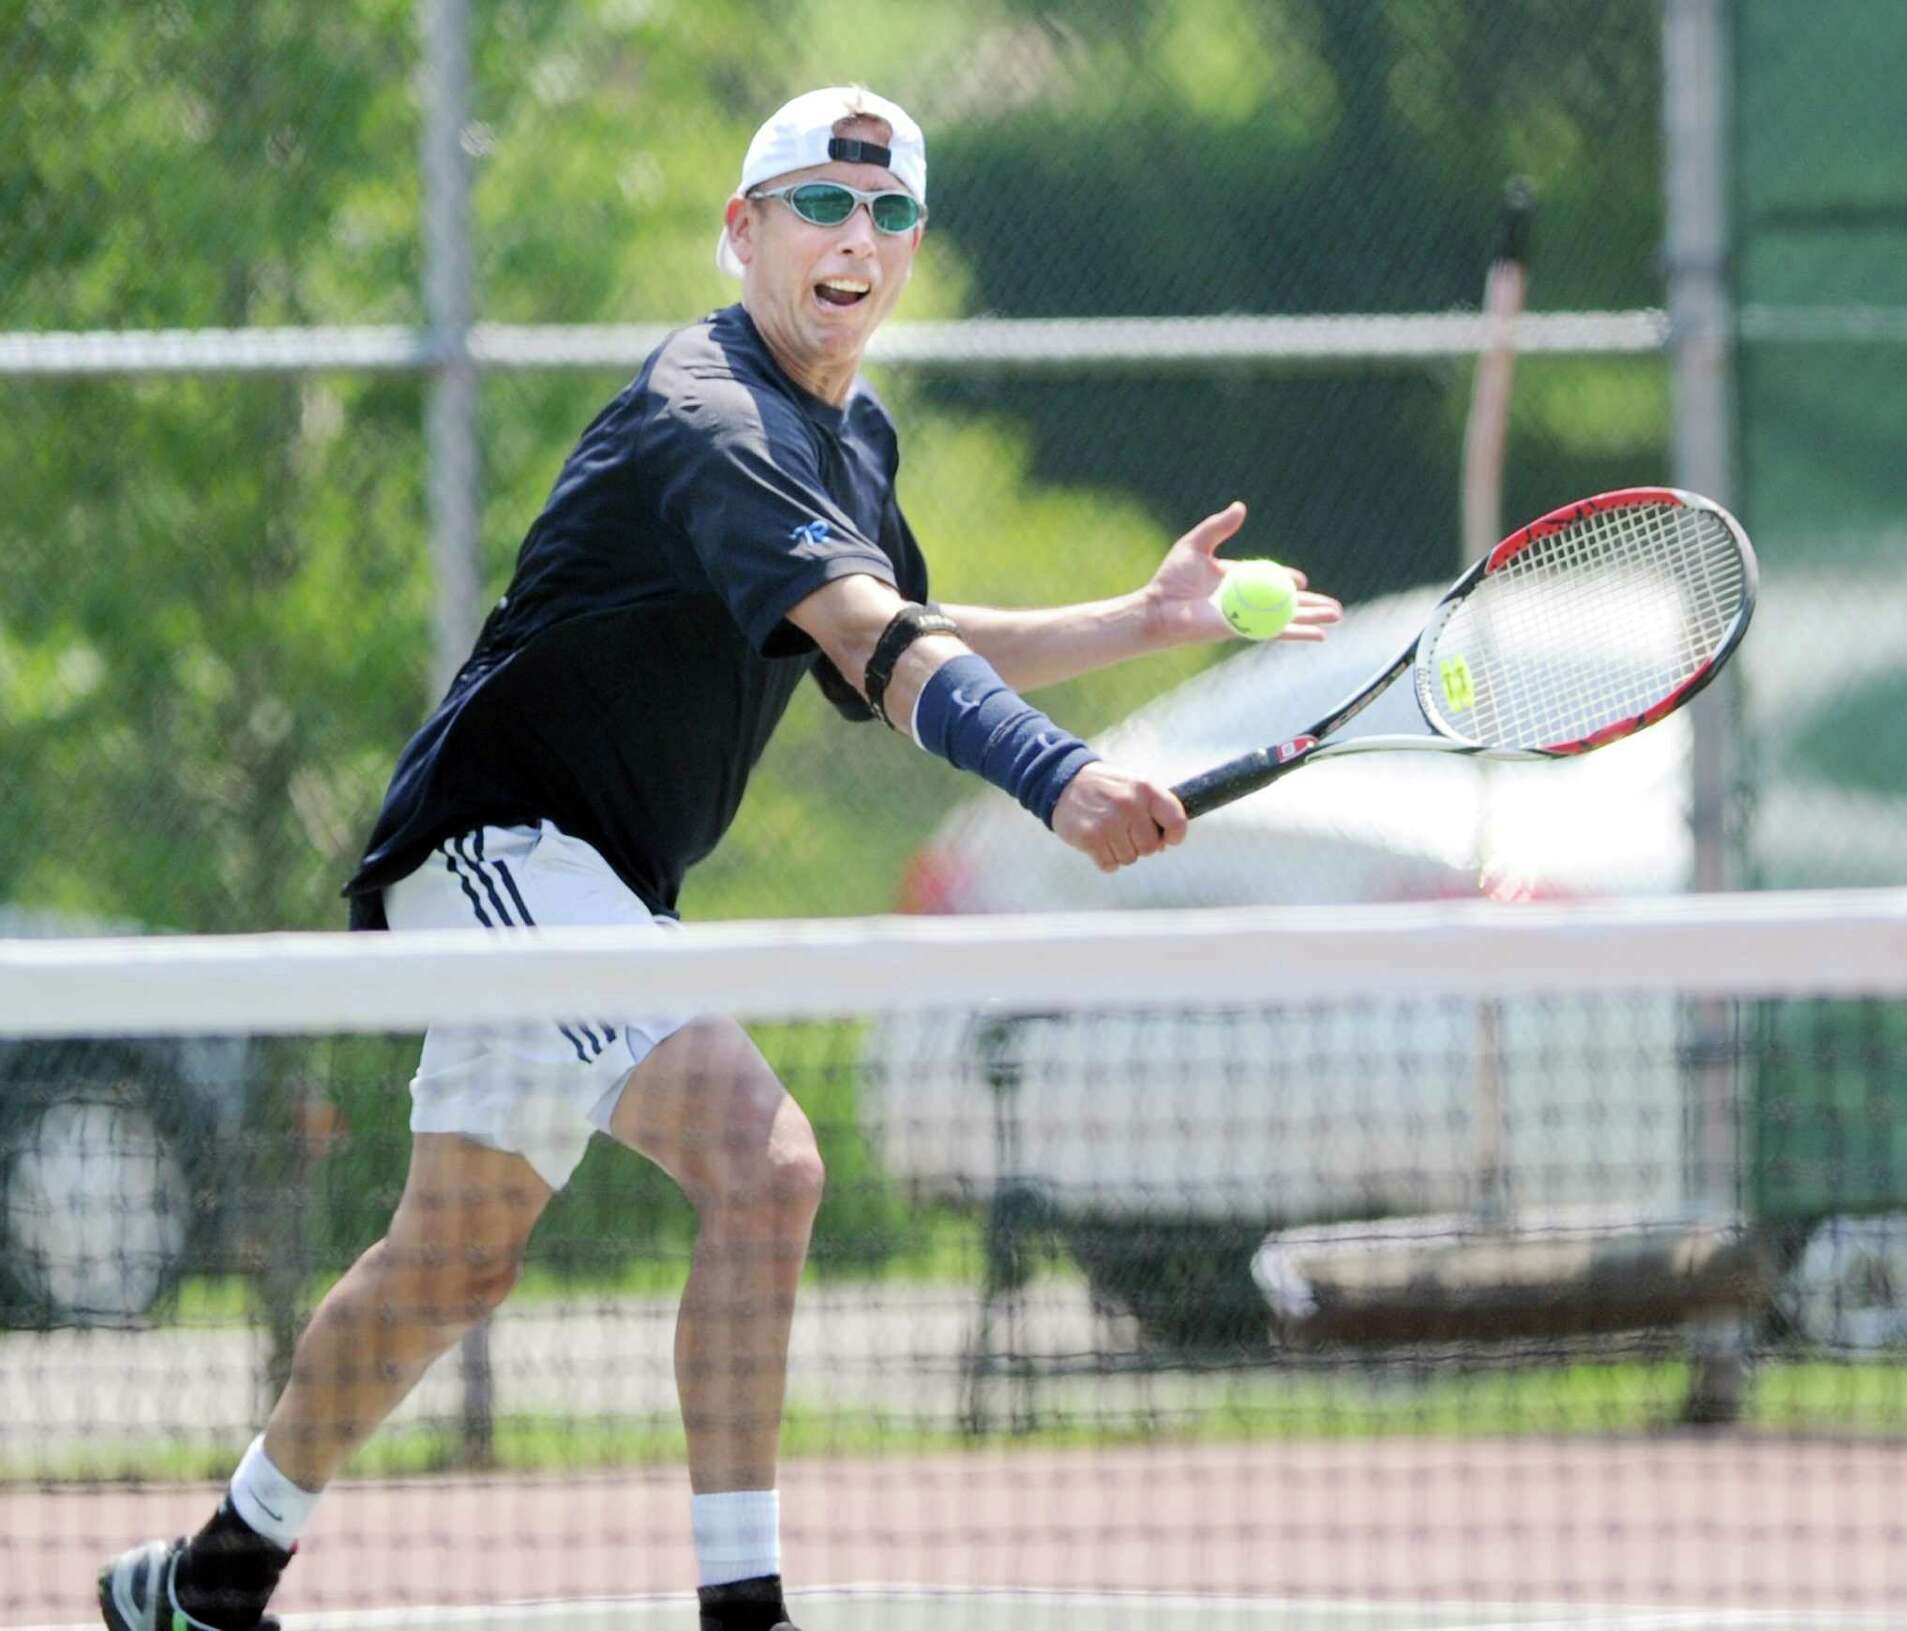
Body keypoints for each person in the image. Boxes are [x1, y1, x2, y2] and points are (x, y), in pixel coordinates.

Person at [98, 84, 1340, 1631]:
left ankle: (215, 1571)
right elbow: (873, 645)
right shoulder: (711, 408)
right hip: (500, 847)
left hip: (594, 890)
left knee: (451, 1263)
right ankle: (742, 1612)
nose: (857, 239)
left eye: (890, 214)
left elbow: (906, 634)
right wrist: (1054, 774)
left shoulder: (849, 436)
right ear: (742, 231)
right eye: (820, 203)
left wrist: (1137, 622)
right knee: (770, 1170)